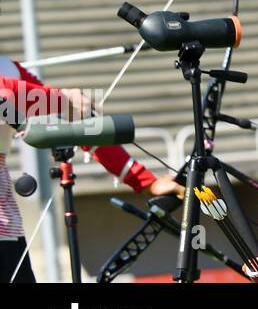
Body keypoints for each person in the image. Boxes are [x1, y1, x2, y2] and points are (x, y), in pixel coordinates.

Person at [0, 55, 180, 283]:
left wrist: (145, 181)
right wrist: (65, 99)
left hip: (7, 230)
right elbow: (7, 94)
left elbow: (75, 125)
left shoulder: (8, 68)